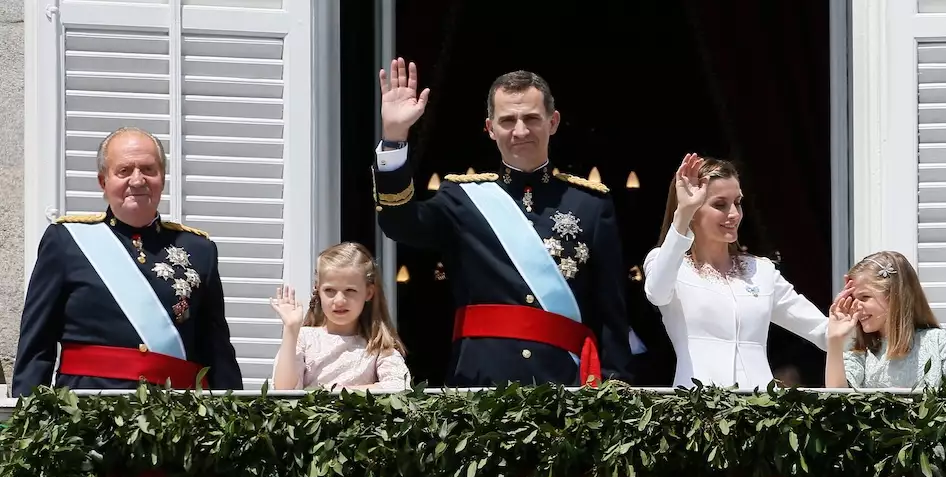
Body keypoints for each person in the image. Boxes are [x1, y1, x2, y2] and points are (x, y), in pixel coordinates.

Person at [371, 59, 631, 387]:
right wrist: (394, 138)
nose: (520, 131)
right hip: (480, 384)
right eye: (507, 120)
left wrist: (615, 387)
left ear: (553, 122)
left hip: (564, 386)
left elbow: (611, 309)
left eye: (531, 118)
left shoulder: (591, 204)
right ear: (490, 128)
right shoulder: (462, 198)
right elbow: (399, 224)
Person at [13, 127, 242, 395]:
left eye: (148, 169)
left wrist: (234, 413)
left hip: (175, 412)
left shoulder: (199, 249)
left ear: (162, 178)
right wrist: (27, 410)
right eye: (124, 171)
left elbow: (217, 350)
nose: (137, 180)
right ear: (103, 182)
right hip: (87, 410)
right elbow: (37, 344)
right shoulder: (66, 242)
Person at [643, 153, 828, 388]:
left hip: (760, 405)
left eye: (737, 203)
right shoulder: (667, 263)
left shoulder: (761, 270)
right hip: (697, 404)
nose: (734, 214)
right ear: (693, 211)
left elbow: (820, 329)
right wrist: (683, 213)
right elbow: (657, 293)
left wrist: (865, 330)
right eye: (720, 204)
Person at [825, 251, 946, 391]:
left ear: (894, 296)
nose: (856, 306)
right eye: (853, 299)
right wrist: (834, 340)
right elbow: (837, 397)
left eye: (865, 297)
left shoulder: (936, 341)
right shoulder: (861, 350)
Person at [270, 242, 411, 391]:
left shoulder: (378, 344)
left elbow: (399, 387)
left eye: (350, 290)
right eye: (329, 290)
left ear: (368, 293)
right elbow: (284, 390)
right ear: (318, 290)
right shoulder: (304, 339)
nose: (339, 301)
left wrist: (337, 392)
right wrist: (291, 330)